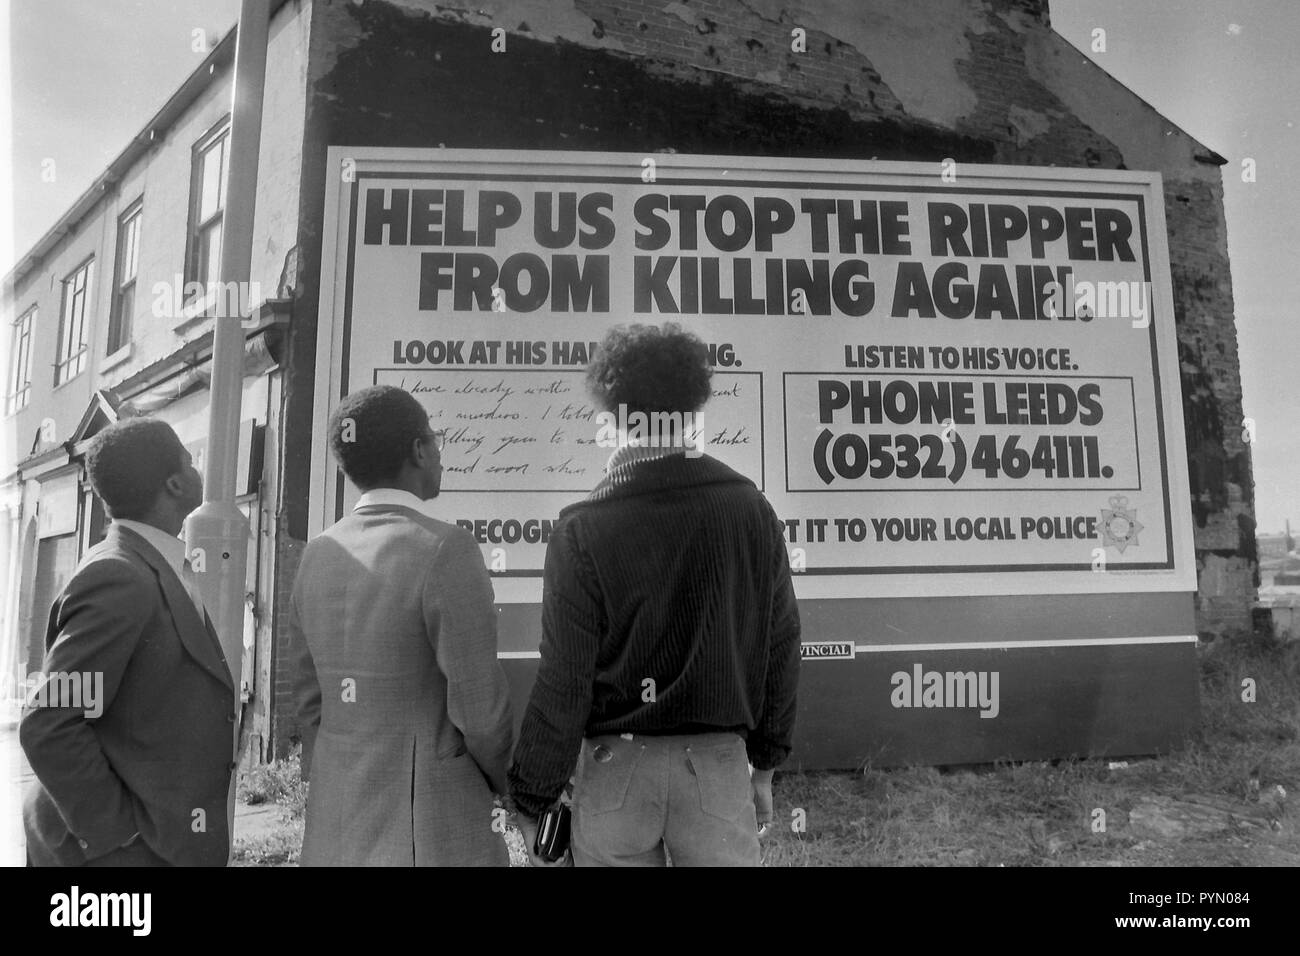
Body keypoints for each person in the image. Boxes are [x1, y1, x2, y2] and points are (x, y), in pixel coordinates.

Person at [508, 322, 802, 867]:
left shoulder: (581, 529)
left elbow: (564, 679)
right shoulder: (751, 511)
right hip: (717, 770)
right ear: (694, 407)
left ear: (612, 415)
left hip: (615, 772)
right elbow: (781, 646)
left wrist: (533, 797)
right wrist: (764, 766)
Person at [287, 384, 513, 865]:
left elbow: (309, 703)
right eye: (434, 439)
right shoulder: (446, 548)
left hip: (336, 826)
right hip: (432, 830)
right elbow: (480, 715)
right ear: (418, 449)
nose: (438, 451)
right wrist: (514, 789)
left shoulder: (317, 554)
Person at [21, 418, 235, 866]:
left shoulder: (147, 564)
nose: (197, 469)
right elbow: (51, 722)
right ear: (175, 484)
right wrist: (119, 839)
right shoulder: (119, 576)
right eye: (189, 461)